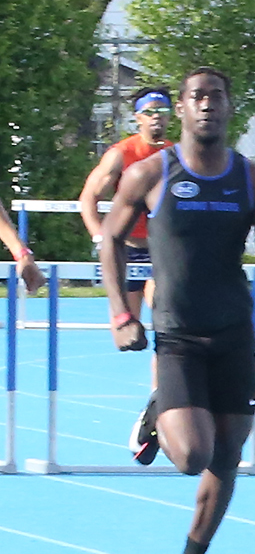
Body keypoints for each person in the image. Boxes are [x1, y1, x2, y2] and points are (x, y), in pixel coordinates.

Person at [102, 68, 255, 554]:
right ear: (182, 109)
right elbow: (111, 239)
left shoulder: (254, 178)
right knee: (191, 456)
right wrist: (121, 313)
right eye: (197, 98)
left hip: (234, 335)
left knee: (227, 458)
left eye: (217, 97)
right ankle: (160, 407)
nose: (207, 105)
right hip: (180, 338)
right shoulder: (151, 172)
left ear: (229, 107)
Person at [83, 87, 176, 461]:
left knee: (168, 330)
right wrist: (98, 237)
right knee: (127, 334)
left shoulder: (174, 154)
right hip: (124, 250)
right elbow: (88, 197)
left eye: (163, 111)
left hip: (160, 252)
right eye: (150, 112)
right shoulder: (122, 154)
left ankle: (158, 406)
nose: (157, 117)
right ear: (137, 118)